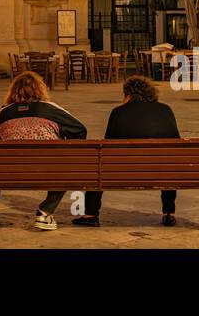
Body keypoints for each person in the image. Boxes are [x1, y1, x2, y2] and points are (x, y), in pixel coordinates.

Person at [0, 71, 86, 231]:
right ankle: (45, 211)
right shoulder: (51, 110)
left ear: (13, 91)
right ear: (40, 90)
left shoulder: (3, 113)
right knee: (67, 165)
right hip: (47, 169)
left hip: (9, 172)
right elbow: (80, 130)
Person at [73, 75, 181, 228]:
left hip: (123, 170)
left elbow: (107, 145)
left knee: (98, 164)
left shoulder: (118, 112)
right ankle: (169, 213)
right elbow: (175, 144)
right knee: (168, 162)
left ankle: (90, 214)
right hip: (161, 170)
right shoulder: (166, 110)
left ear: (128, 94)